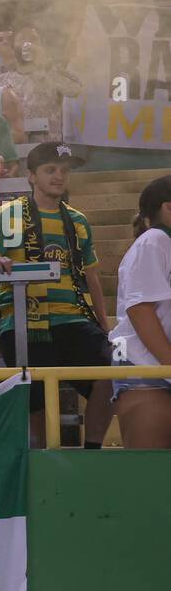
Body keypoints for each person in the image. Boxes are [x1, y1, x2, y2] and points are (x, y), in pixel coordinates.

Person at [0, 142, 112, 448]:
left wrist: (104, 327)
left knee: (114, 373)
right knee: (34, 401)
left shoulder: (77, 220)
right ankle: (41, 463)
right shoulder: (8, 213)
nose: (58, 176)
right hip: (25, 322)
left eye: (64, 171)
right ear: (31, 176)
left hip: (74, 319)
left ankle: (92, 451)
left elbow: (91, 275)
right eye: (50, 170)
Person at [108, 176, 171, 448]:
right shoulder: (154, 240)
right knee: (149, 475)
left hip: (161, 366)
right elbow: (140, 309)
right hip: (146, 367)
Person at [0, 27, 82, 139]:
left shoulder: (51, 75)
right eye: (22, 39)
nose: (28, 44)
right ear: (13, 47)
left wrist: (45, 63)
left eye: (33, 39)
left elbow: (75, 90)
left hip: (48, 151)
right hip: (13, 152)